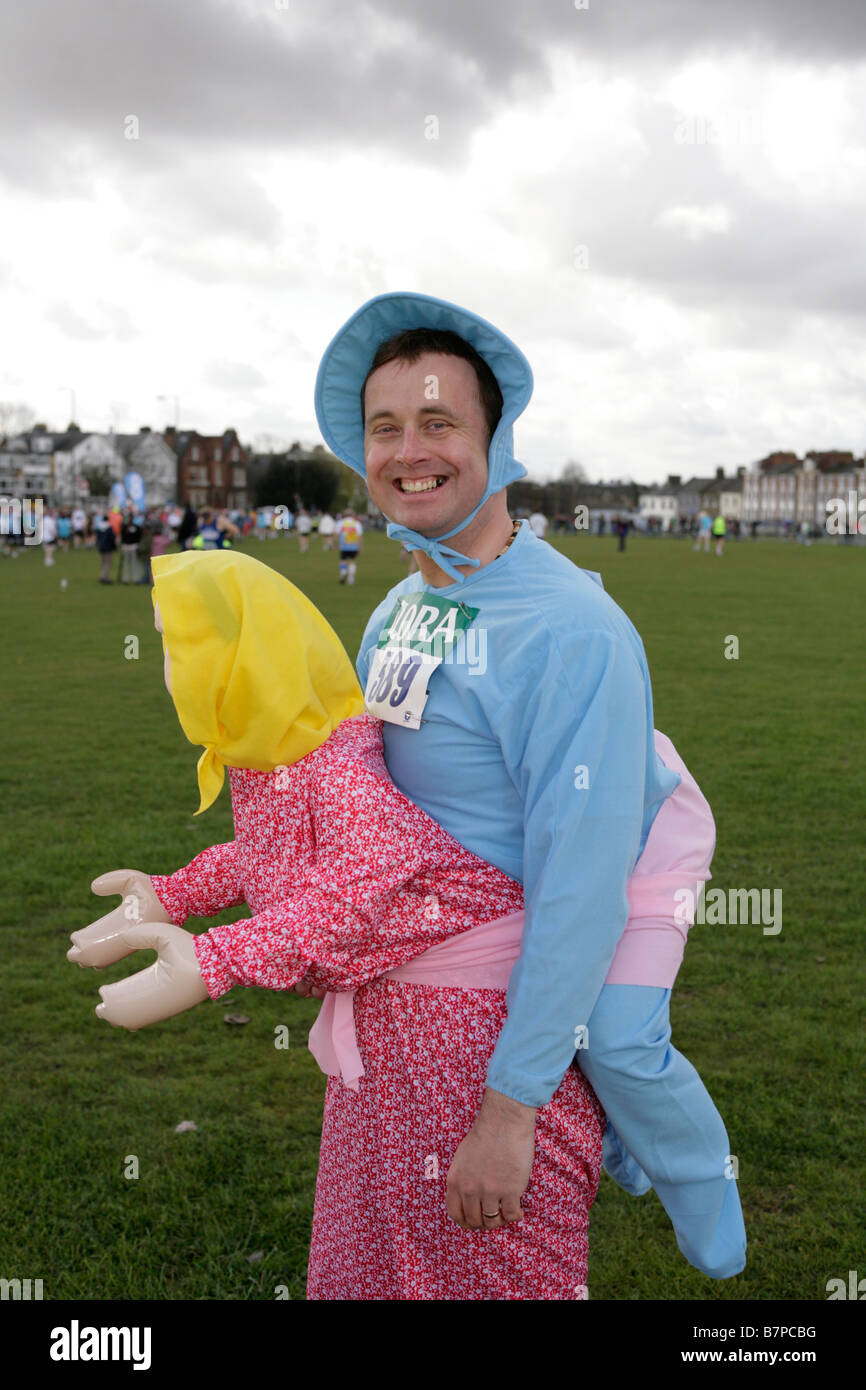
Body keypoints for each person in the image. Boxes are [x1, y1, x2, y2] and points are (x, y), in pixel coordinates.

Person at [313, 291, 746, 1280]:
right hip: (404, 1020)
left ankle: (691, 1177)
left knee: (622, 1044)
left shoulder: (569, 631)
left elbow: (581, 887)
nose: (408, 449)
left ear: (495, 440)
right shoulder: (396, 604)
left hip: (520, 1003)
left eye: (438, 422)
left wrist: (511, 1108)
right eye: (385, 427)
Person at [68, 549, 608, 1299]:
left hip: (460, 1043)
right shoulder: (285, 752)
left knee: (479, 1256)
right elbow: (279, 858)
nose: (167, 666)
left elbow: (352, 890)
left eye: (177, 645)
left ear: (237, 660)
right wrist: (173, 894)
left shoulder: (334, 762)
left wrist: (213, 961)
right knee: (387, 1251)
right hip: (393, 1044)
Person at [335, 510, 363, 584]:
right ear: (352, 515)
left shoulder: (340, 523)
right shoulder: (357, 524)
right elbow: (359, 537)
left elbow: (337, 535)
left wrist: (335, 544)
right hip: (354, 546)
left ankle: (343, 571)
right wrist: (360, 547)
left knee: (343, 560)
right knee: (352, 561)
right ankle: (351, 578)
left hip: (343, 546)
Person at [96, 514, 116, 583]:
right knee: (108, 563)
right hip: (108, 547)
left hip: (101, 546)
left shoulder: (99, 527)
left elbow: (98, 538)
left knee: (103, 562)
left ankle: (102, 575)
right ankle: (105, 577)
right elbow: (112, 538)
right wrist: (114, 546)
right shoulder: (109, 528)